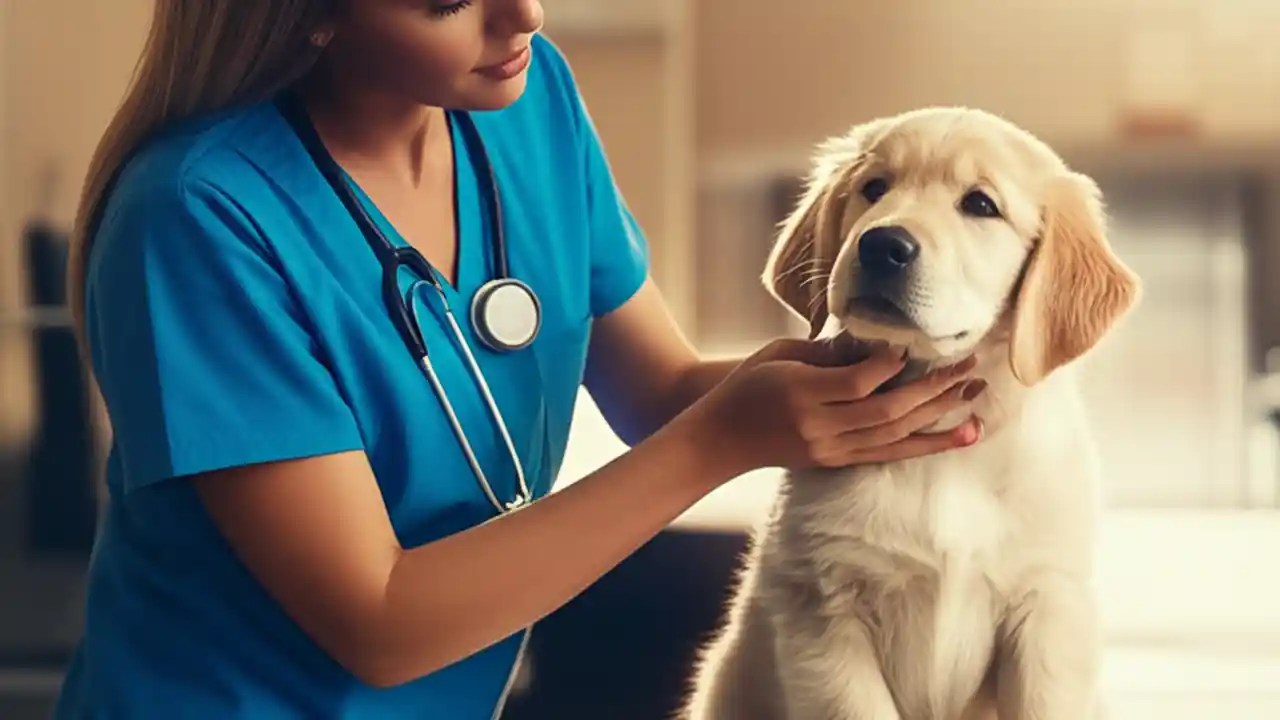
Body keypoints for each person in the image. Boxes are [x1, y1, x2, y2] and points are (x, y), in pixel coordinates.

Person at [53, 1, 984, 718]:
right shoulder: (196, 218)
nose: (524, 16)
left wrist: (851, 385)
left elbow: (659, 391)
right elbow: (379, 623)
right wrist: (726, 439)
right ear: (311, 15)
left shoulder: (526, 99)